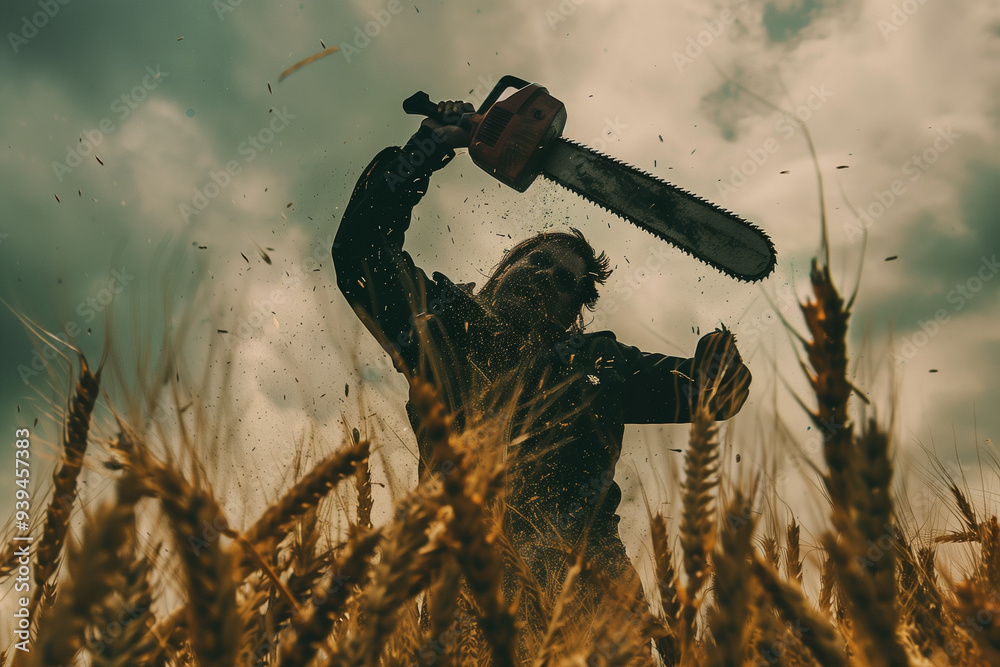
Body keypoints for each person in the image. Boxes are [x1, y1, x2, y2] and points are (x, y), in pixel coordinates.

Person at [332, 100, 751, 611]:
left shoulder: (601, 363)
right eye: (537, 261)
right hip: (466, 590)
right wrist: (427, 148)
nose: (546, 277)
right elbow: (360, 252)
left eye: (564, 281)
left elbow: (709, 394)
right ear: (505, 266)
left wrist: (720, 363)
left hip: (593, 591)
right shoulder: (441, 325)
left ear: (572, 313)